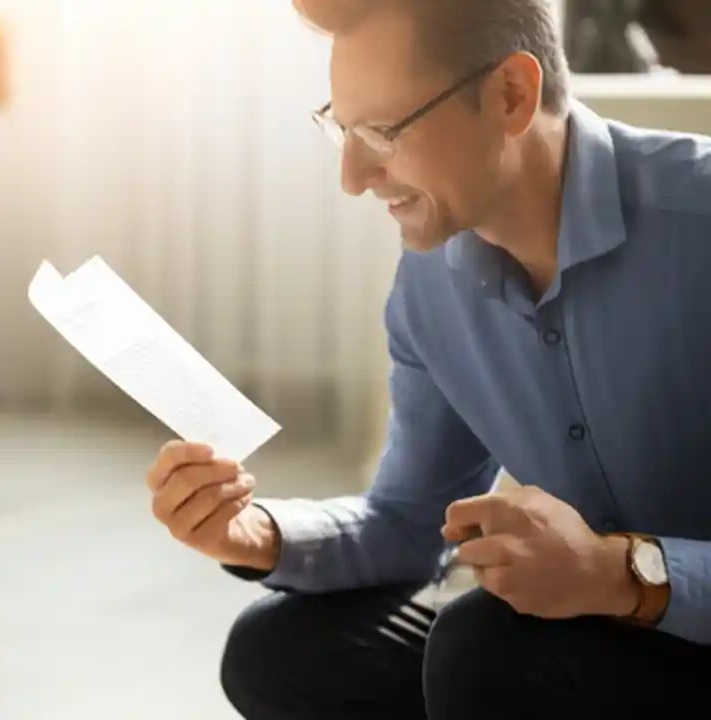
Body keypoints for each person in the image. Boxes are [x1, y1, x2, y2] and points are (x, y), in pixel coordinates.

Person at [143, 0, 711, 717]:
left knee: (485, 646)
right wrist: (256, 534)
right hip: (596, 643)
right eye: (342, 129)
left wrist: (622, 572)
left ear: (511, 94)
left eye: (383, 131)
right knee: (282, 651)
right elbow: (411, 522)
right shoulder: (431, 284)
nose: (353, 176)